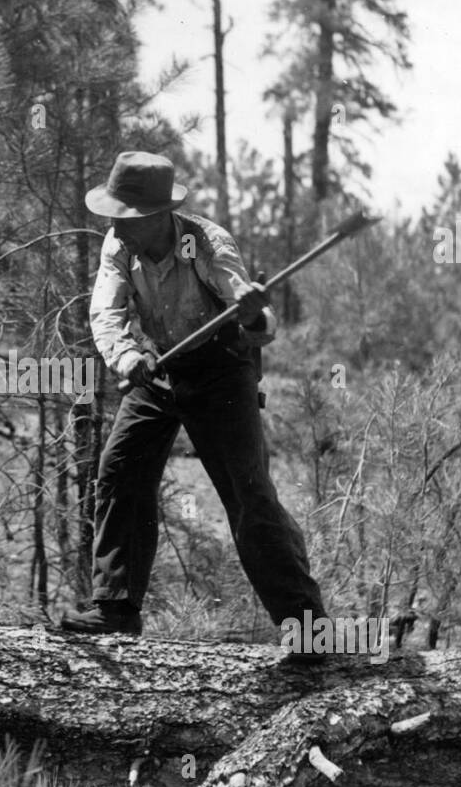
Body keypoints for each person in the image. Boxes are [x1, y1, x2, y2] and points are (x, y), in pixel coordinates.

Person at [61, 151, 328, 658]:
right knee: (120, 469)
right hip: (158, 367)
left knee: (249, 495)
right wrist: (127, 357)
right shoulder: (118, 246)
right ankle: (116, 608)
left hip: (223, 370)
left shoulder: (205, 242)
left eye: (127, 216)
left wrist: (251, 314)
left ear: (161, 214)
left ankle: (308, 630)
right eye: (115, 214)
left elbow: (256, 319)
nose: (117, 225)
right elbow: (106, 314)